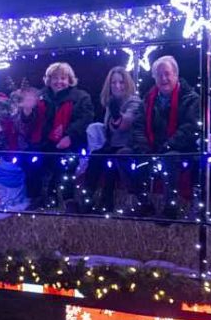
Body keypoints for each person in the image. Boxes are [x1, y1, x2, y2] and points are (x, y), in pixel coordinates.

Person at [130, 55, 201, 218]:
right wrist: (144, 148)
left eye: (167, 74)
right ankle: (143, 203)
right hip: (152, 147)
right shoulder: (148, 99)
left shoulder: (191, 98)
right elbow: (138, 126)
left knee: (169, 158)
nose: (163, 78)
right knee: (128, 156)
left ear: (176, 74)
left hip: (180, 149)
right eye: (159, 75)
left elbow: (190, 128)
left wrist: (167, 146)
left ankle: (171, 206)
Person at [16, 62, 94, 209]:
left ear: (70, 80)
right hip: (43, 143)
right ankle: (36, 197)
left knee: (68, 161)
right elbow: (29, 123)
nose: (59, 82)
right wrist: (27, 112)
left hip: (69, 142)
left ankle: (68, 199)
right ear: (49, 80)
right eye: (55, 78)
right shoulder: (40, 96)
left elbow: (85, 119)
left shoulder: (81, 97)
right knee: (31, 158)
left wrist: (70, 136)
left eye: (63, 78)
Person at [79, 66, 143, 213]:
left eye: (121, 82)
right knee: (96, 156)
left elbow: (125, 123)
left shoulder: (134, 102)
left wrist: (117, 116)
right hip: (113, 145)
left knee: (112, 160)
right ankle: (88, 198)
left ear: (127, 84)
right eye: (114, 82)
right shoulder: (111, 103)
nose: (117, 86)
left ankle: (107, 201)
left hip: (130, 146)